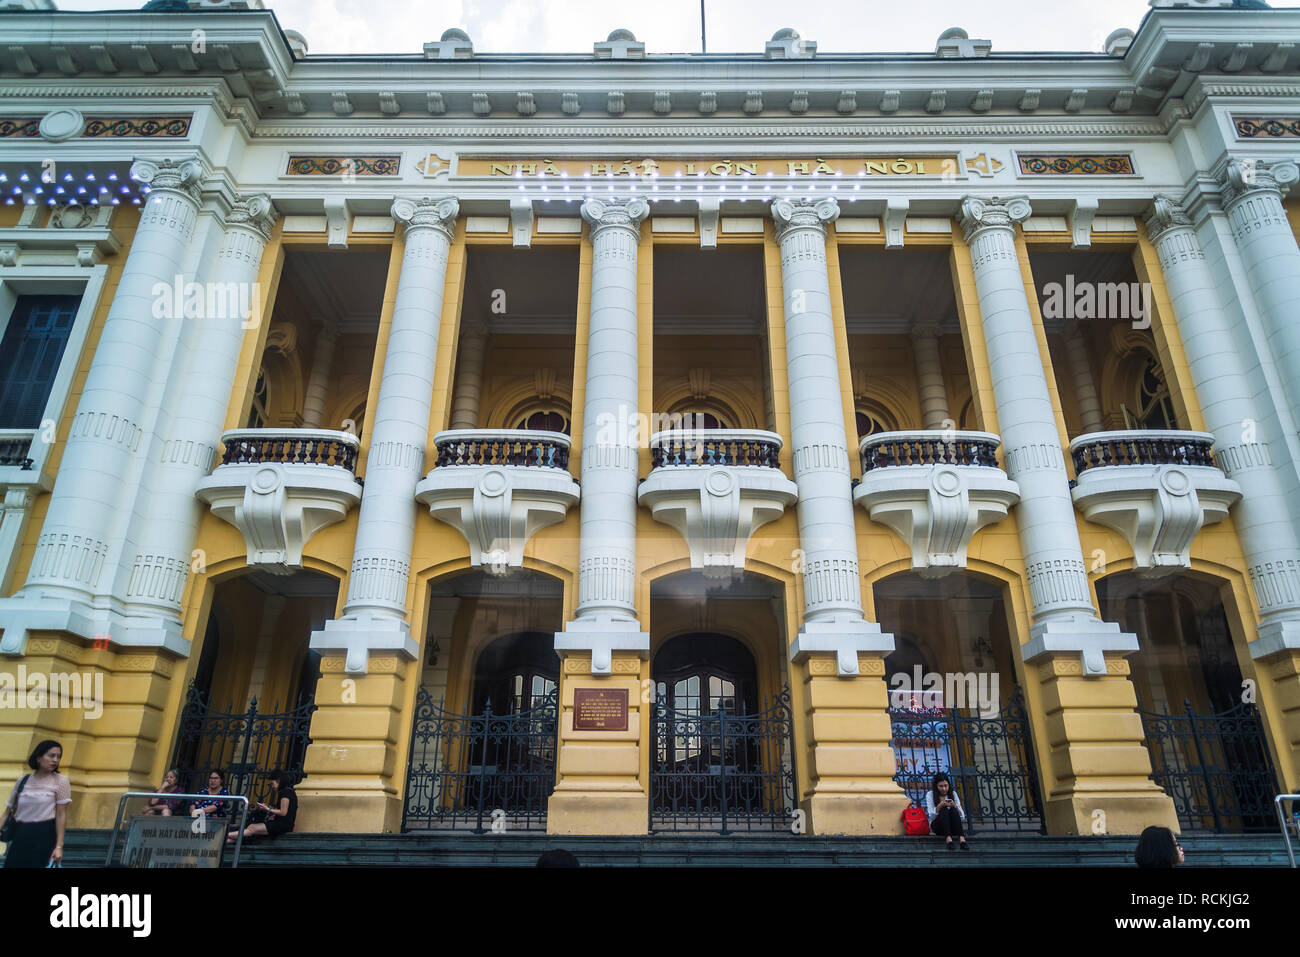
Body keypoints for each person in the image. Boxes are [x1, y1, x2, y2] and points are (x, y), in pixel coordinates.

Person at [1, 740, 71, 868]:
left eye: (58, 756)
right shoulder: (23, 780)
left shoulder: (61, 781)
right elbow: (7, 812)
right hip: (19, 835)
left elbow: (61, 815)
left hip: (44, 836)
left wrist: (59, 846)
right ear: (38, 757)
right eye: (51, 755)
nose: (55, 760)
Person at [227, 770, 298, 843]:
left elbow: (283, 812)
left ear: (279, 781)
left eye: (272, 783)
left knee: (252, 828)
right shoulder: (285, 792)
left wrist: (268, 809)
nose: (272, 786)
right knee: (251, 829)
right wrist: (268, 807)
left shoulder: (286, 792)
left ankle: (225, 835)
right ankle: (225, 839)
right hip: (280, 823)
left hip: (283, 825)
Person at [924, 771, 968, 850]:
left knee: (953, 810)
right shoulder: (930, 794)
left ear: (949, 785)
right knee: (944, 809)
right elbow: (931, 816)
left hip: (953, 827)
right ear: (936, 786)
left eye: (945, 785)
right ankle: (948, 840)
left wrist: (954, 806)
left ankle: (962, 840)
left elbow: (962, 817)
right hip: (938, 827)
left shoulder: (953, 794)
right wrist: (939, 806)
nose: (944, 789)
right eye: (940, 786)